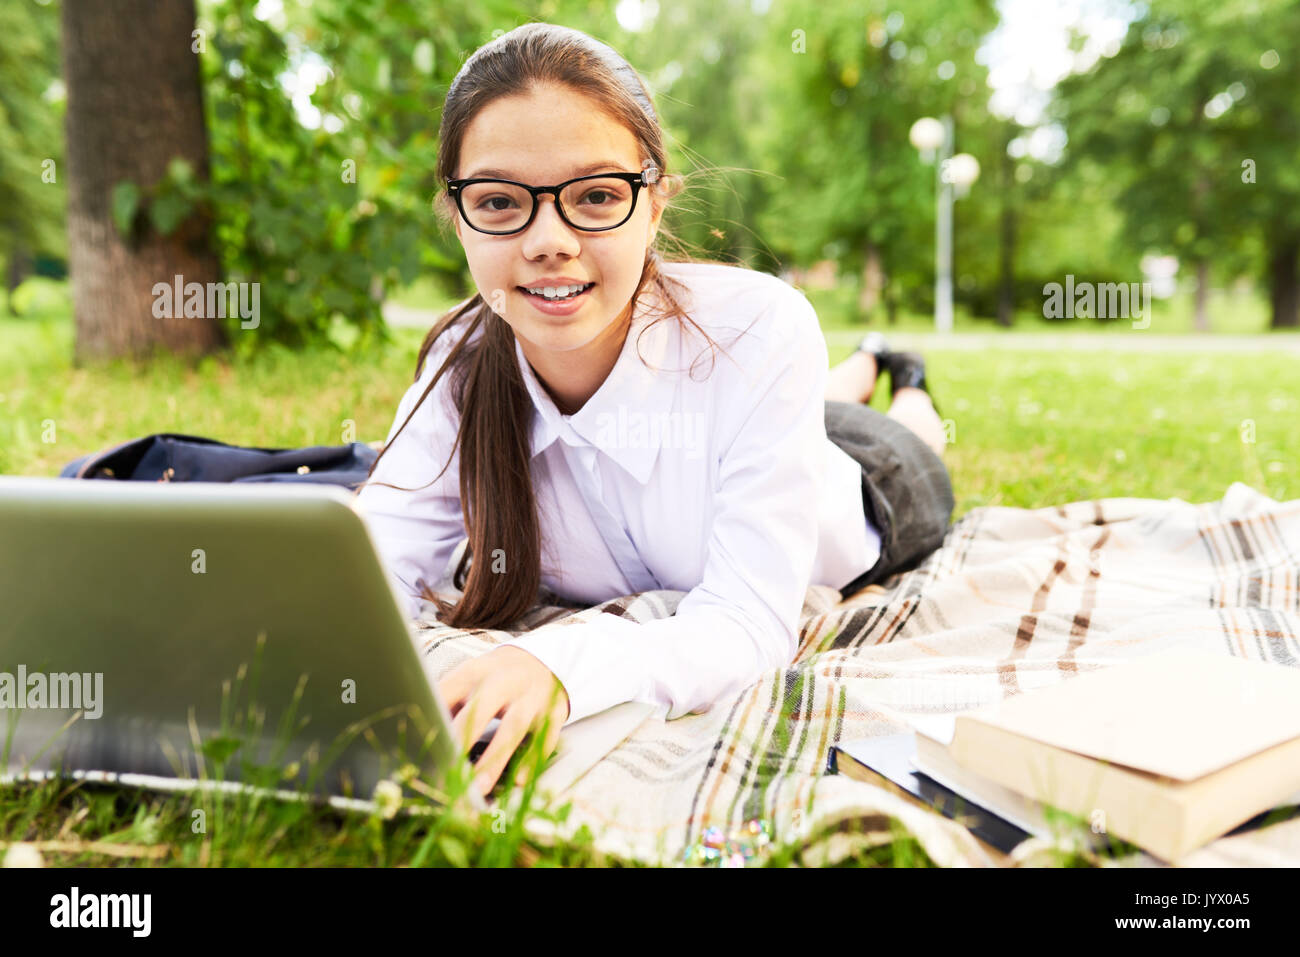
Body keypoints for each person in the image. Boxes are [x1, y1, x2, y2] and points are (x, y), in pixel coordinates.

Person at [354, 22, 953, 799]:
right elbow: (375, 564)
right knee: (819, 407)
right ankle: (861, 365)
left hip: (870, 485)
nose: (548, 241)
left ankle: (896, 368)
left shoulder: (760, 326)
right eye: (500, 201)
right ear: (456, 213)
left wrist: (564, 667)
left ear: (655, 199)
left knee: (900, 428)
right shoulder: (461, 365)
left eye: (596, 196)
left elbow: (746, 624)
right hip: (748, 431)